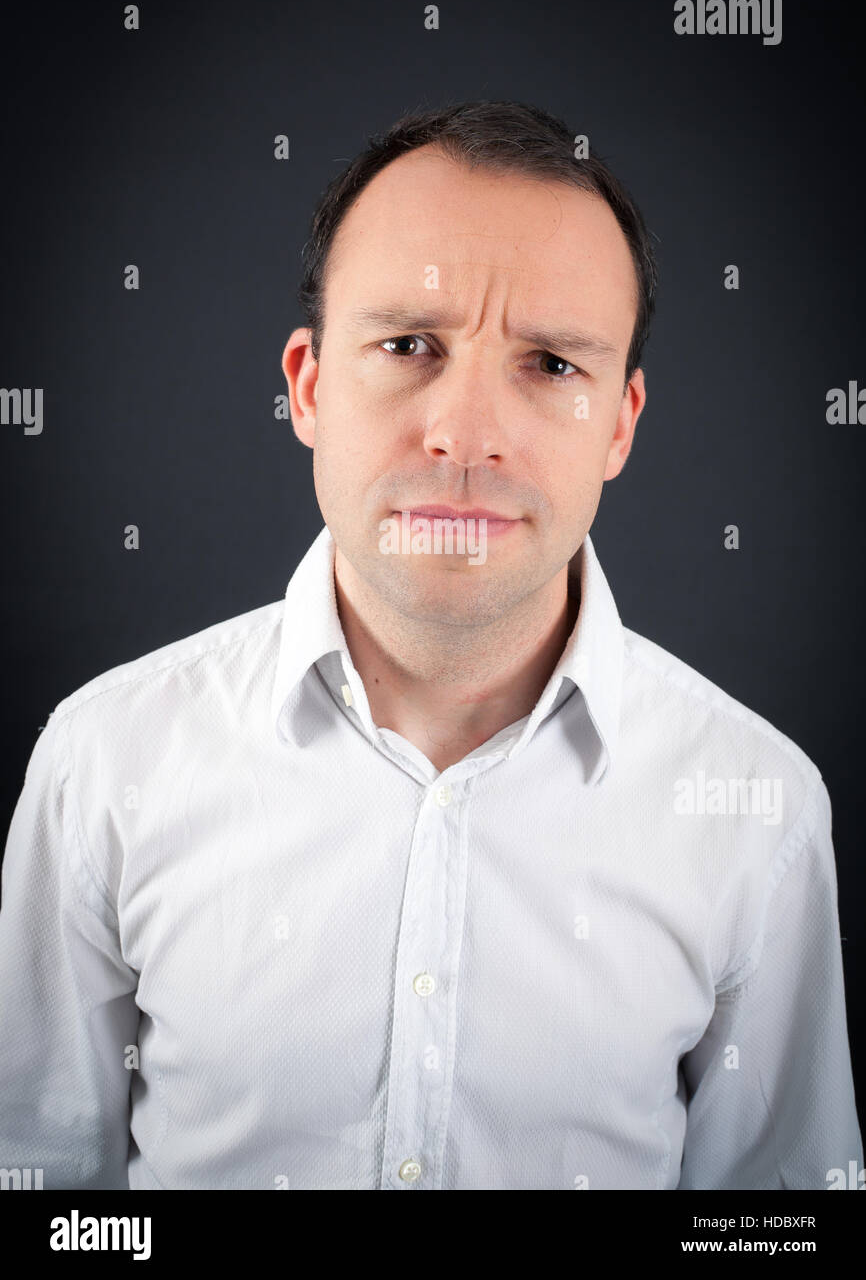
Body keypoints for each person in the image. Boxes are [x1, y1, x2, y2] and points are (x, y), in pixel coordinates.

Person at [0, 100, 861, 1190]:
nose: (464, 434)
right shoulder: (101, 763)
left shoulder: (759, 808)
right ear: (308, 386)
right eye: (409, 344)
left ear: (620, 425)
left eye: (550, 365)